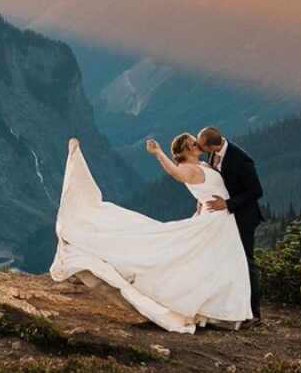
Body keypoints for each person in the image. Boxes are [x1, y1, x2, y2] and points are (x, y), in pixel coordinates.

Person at [48, 136, 252, 333]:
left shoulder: (202, 164)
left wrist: (204, 199)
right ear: (186, 150)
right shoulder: (187, 168)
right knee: (216, 261)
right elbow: (175, 173)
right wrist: (158, 153)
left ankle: (219, 311)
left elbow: (210, 186)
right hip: (214, 219)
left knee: (219, 262)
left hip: (220, 218)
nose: (197, 143)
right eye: (193, 142)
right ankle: (217, 311)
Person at [195, 126, 264, 324]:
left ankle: (254, 314)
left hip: (243, 217)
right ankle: (231, 307)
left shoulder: (241, 159)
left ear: (213, 145)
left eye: (201, 146)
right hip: (224, 218)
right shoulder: (213, 154)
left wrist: (228, 204)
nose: (198, 148)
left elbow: (256, 191)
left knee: (246, 261)